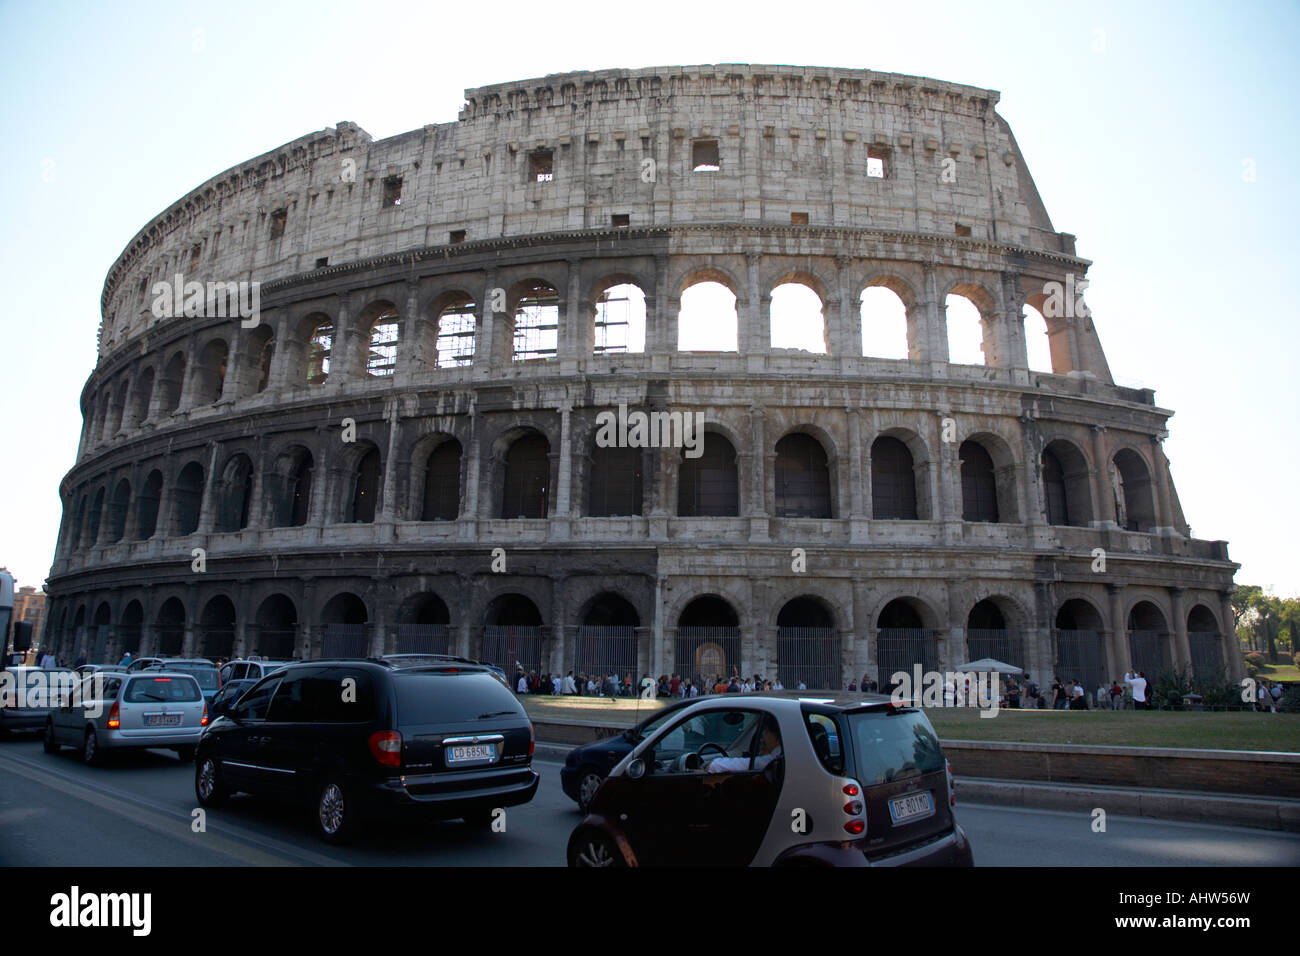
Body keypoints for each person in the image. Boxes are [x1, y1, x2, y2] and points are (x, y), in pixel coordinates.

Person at [705, 723, 783, 774]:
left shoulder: (776, 759)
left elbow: (715, 766)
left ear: (775, 736)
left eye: (765, 732)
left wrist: (710, 766)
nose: (762, 739)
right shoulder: (782, 755)